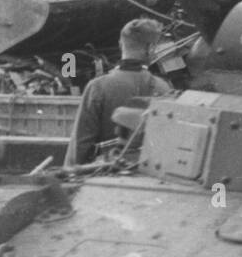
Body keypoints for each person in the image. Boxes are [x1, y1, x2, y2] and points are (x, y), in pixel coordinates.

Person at [70, 18, 172, 164]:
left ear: (120, 44)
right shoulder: (163, 88)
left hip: (104, 175)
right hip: (149, 175)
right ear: (151, 48)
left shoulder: (97, 87)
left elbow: (80, 145)